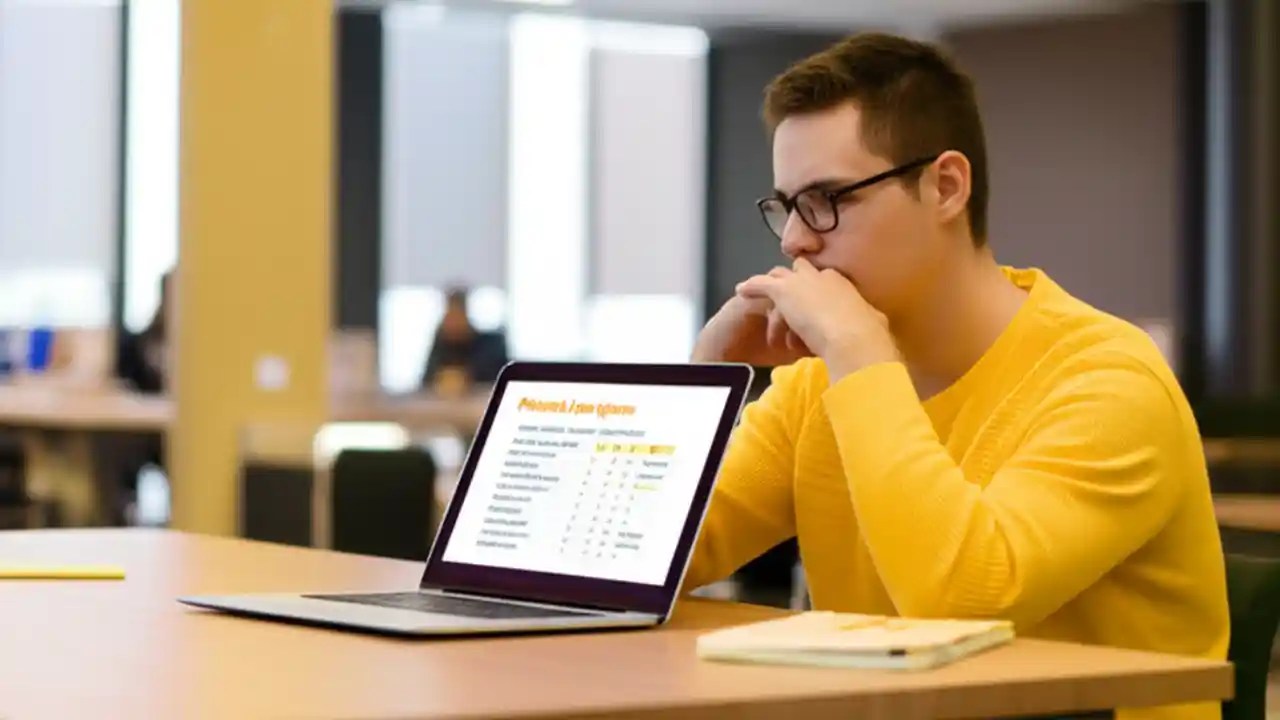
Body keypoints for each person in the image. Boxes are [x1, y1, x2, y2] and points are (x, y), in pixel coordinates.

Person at [684, 33, 1227, 720]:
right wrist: (701, 384)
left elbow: (958, 599)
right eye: (785, 206)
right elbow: (641, 566)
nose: (794, 240)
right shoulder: (821, 382)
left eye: (827, 199)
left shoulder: (1106, 380)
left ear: (945, 187)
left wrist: (858, 354)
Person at [419, 288, 509, 392]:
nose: (454, 322)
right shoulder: (442, 343)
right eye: (450, 315)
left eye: (457, 315)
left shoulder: (490, 344)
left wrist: (466, 377)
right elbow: (426, 380)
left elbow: (496, 378)